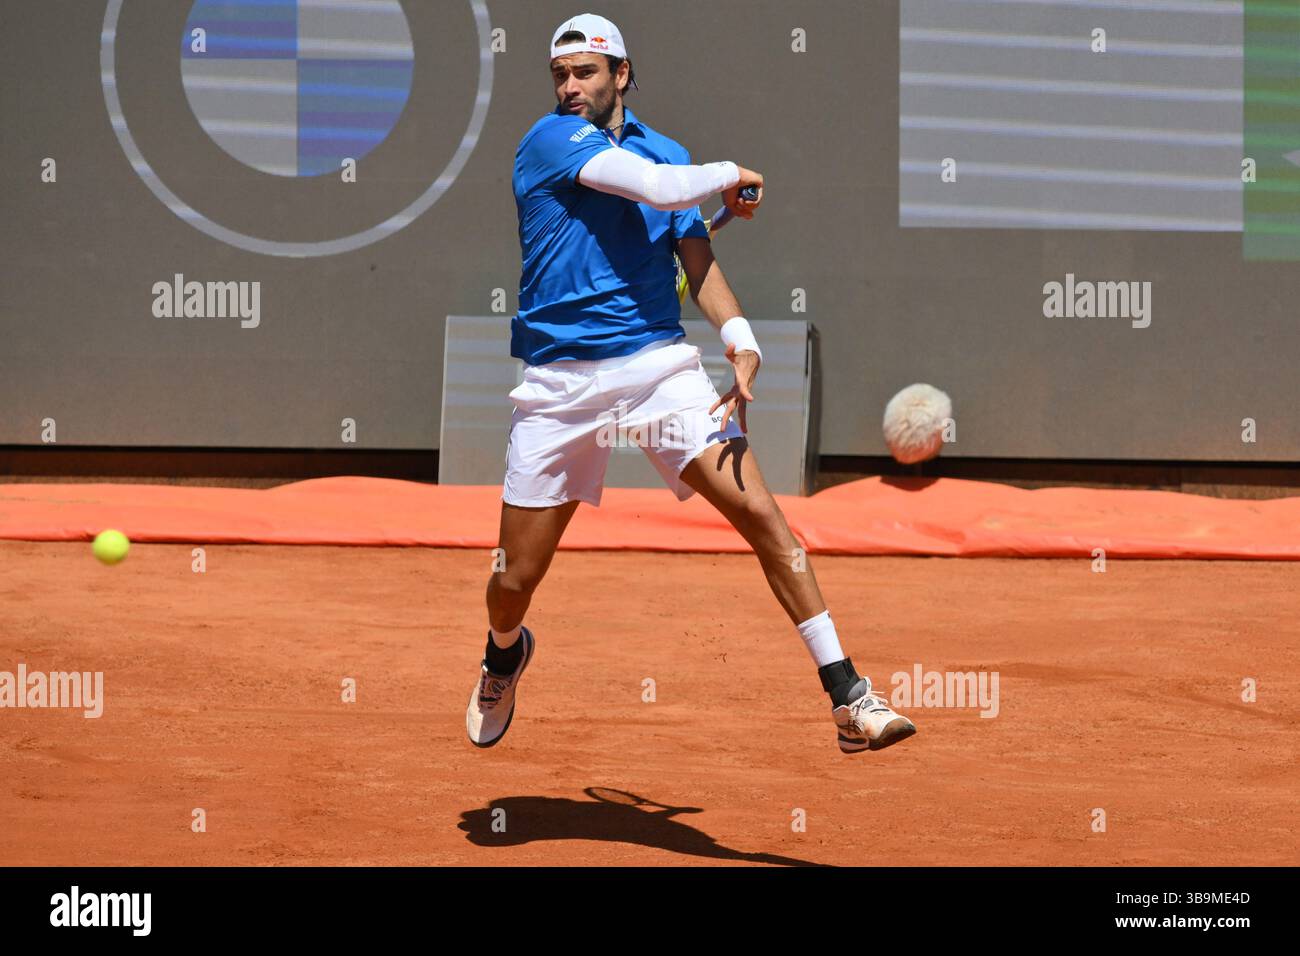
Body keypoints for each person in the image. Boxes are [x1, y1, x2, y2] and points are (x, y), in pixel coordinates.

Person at [466, 13, 916, 756]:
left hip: (658, 368)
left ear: (622, 74)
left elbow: (696, 262)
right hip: (560, 384)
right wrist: (730, 172)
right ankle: (504, 652)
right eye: (560, 75)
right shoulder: (550, 141)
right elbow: (657, 189)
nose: (570, 87)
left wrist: (741, 343)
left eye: (586, 72)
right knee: (514, 577)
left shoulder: (667, 154)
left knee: (764, 517)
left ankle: (849, 698)